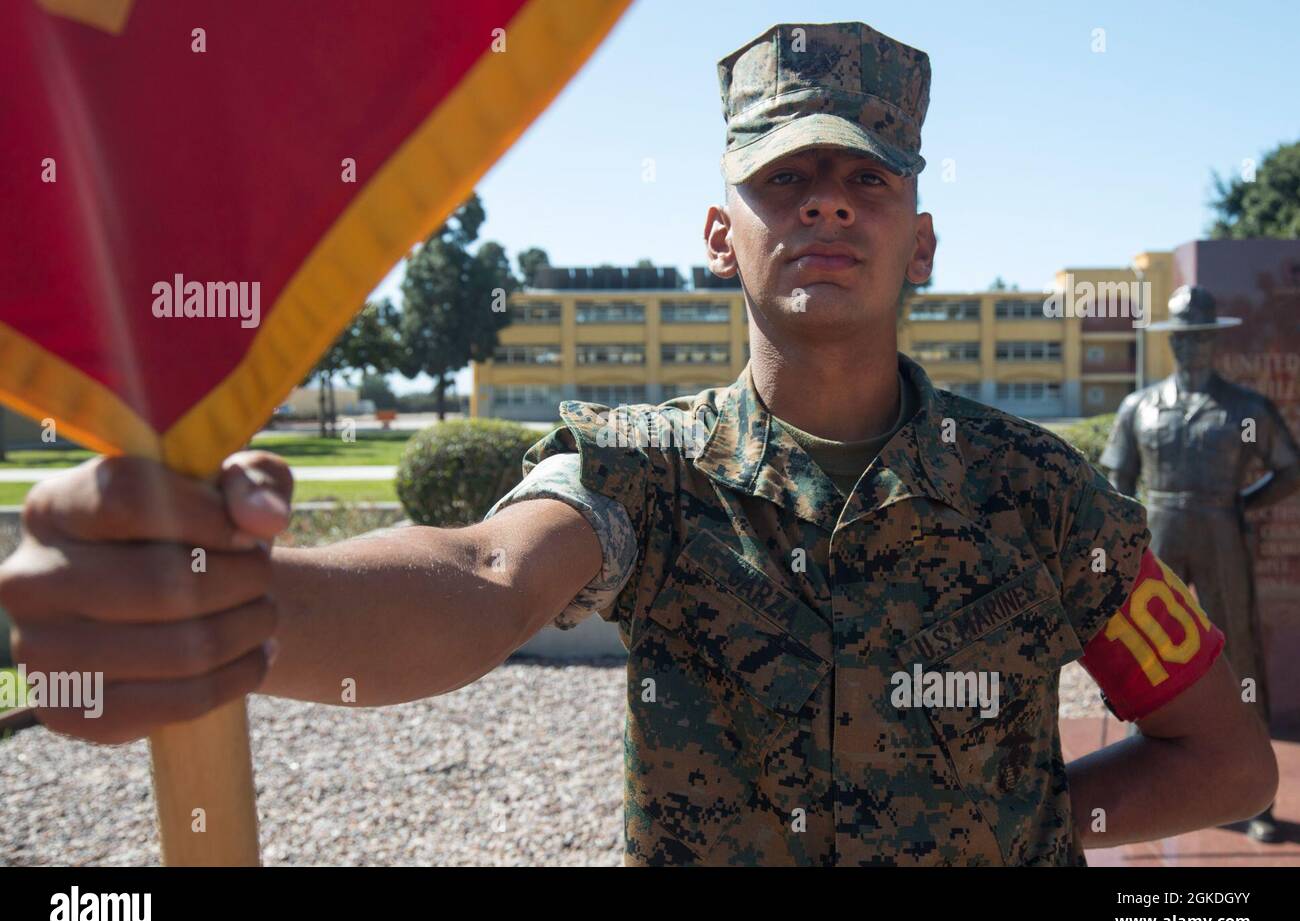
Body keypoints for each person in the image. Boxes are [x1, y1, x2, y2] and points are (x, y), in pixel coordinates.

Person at [0, 21, 1276, 866]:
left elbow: (1217, 756)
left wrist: (1030, 826)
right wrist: (247, 603)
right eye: (781, 178)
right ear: (721, 236)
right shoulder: (640, 465)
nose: (824, 198)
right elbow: (485, 577)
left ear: (921, 243)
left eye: (867, 178)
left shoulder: (1042, 495)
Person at [1101, 285, 1300, 842]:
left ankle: (1256, 797)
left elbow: (1290, 468)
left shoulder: (1245, 408)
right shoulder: (1139, 407)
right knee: (1144, 650)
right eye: (1182, 339)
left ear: (1215, 341)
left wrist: (1241, 505)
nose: (1192, 348)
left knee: (1238, 651)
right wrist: (1122, 537)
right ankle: (1145, 781)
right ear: (1172, 344)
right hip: (1159, 529)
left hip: (1220, 530)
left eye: (1202, 338)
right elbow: (1118, 480)